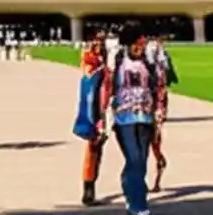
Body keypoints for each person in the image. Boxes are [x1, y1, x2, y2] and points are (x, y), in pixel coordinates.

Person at [100, 23, 166, 215]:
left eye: (142, 45)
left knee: (141, 161)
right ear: (128, 44)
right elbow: (106, 86)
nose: (140, 48)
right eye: (136, 45)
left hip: (145, 118)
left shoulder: (150, 61)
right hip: (123, 118)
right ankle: (139, 207)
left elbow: (160, 86)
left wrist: (160, 111)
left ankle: (129, 185)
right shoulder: (118, 60)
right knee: (134, 158)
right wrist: (102, 117)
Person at [73, 30, 110, 206]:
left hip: (105, 111)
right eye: (97, 40)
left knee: (96, 151)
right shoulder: (90, 60)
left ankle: (91, 187)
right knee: (93, 150)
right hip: (94, 113)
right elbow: (89, 75)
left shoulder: (105, 60)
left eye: (103, 41)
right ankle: (88, 189)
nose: (100, 44)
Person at [147, 34, 178, 193]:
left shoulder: (160, 59)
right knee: (147, 142)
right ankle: (151, 176)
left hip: (156, 103)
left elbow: (164, 85)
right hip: (148, 104)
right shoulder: (154, 58)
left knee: (154, 141)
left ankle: (157, 172)